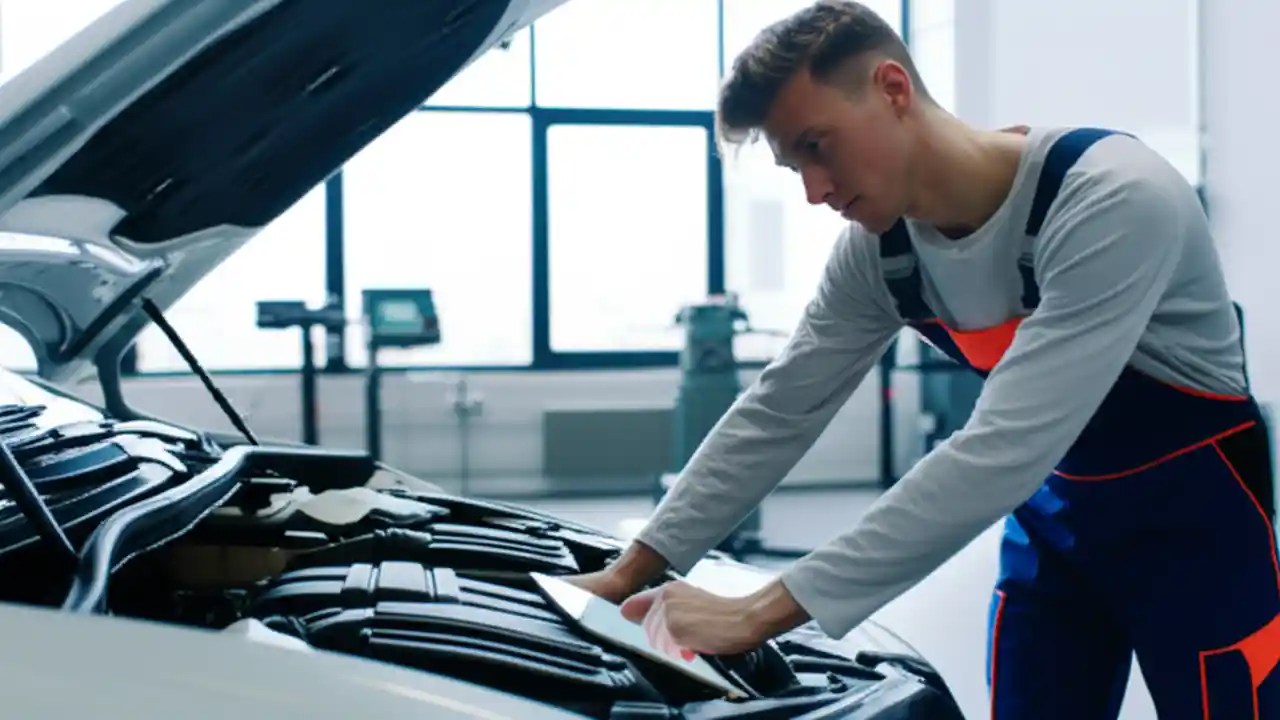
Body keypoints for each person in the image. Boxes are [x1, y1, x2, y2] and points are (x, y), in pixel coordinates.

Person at [565, 1, 1280, 718]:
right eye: (793, 168)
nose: (814, 192)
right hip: (1053, 529)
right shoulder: (881, 253)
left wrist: (761, 611)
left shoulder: (1112, 199)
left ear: (892, 88)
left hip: (1196, 538)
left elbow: (1004, 445)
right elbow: (782, 408)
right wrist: (634, 569)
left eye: (819, 146)